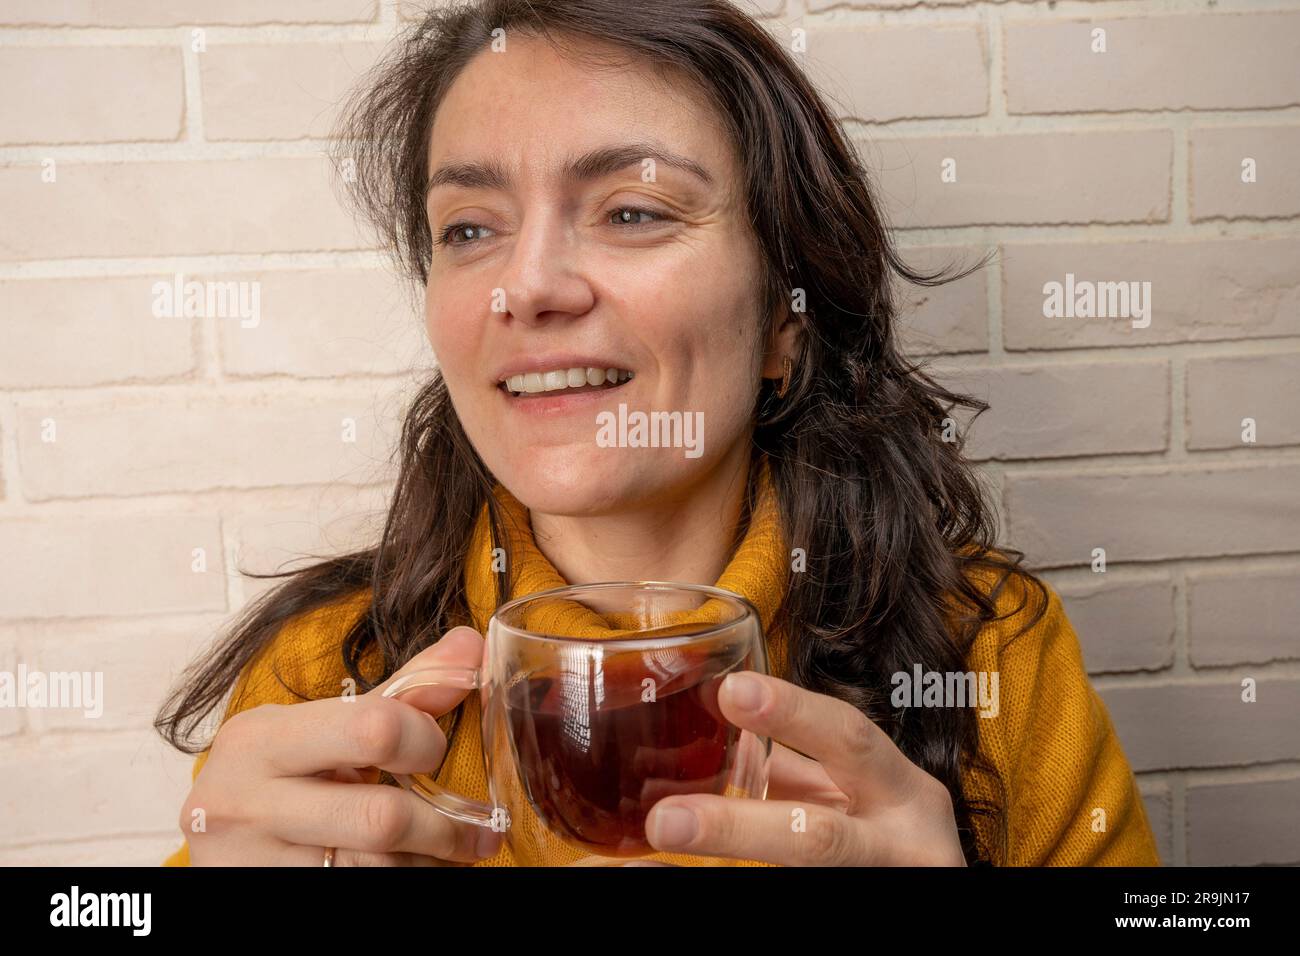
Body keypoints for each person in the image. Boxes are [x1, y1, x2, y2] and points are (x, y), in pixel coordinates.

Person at [155, 0, 1160, 868]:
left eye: (632, 211)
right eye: (469, 227)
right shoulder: (323, 676)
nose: (528, 285)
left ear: (784, 315)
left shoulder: (987, 650)